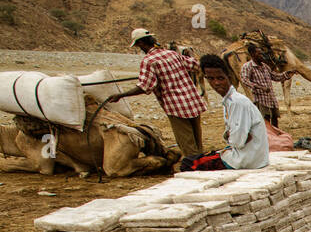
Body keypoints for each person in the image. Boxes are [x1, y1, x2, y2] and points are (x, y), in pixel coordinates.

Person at [104, 29, 206, 158]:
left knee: (186, 142)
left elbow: (144, 87)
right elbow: (196, 65)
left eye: (137, 45)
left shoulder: (149, 61)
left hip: (176, 106)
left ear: (141, 43)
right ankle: (203, 161)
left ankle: (195, 166)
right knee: (197, 138)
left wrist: (121, 95)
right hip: (192, 100)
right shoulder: (172, 54)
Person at [178, 55, 268, 171]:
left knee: (189, 164)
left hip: (245, 160)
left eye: (220, 78)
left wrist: (234, 137)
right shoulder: (230, 100)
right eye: (211, 79)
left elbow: (238, 141)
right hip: (247, 156)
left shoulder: (237, 102)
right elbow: (239, 137)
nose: (216, 83)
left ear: (228, 77)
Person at [240, 42, 291, 128]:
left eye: (261, 53)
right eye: (259, 53)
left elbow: (274, 76)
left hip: (271, 98)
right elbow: (244, 80)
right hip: (261, 99)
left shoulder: (265, 66)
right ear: (252, 54)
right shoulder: (248, 67)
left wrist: (287, 75)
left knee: (275, 120)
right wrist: (260, 87)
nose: (261, 55)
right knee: (265, 121)